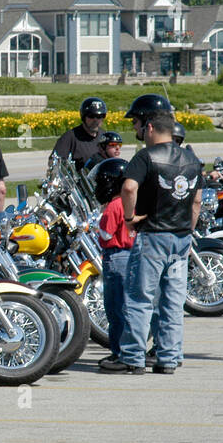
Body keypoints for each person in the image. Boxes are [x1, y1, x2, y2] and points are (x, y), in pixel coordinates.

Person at [102, 93, 202, 375]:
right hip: (181, 237)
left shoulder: (145, 157)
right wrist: (188, 228)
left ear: (148, 125)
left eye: (135, 123)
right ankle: (169, 357)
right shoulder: (191, 159)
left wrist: (130, 218)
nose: (134, 130)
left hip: (153, 235)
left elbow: (129, 188)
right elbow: (196, 200)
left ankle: (132, 357)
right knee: (172, 301)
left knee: (139, 298)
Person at [92, 157, 133, 368]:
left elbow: (106, 234)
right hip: (131, 256)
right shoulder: (130, 201)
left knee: (115, 310)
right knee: (128, 308)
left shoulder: (112, 206)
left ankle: (120, 353)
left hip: (115, 257)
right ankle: (131, 350)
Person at [53, 97, 108, 172]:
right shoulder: (70, 137)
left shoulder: (105, 136)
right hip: (80, 182)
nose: (96, 120)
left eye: (99, 116)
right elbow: (54, 163)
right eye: (91, 116)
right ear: (83, 117)